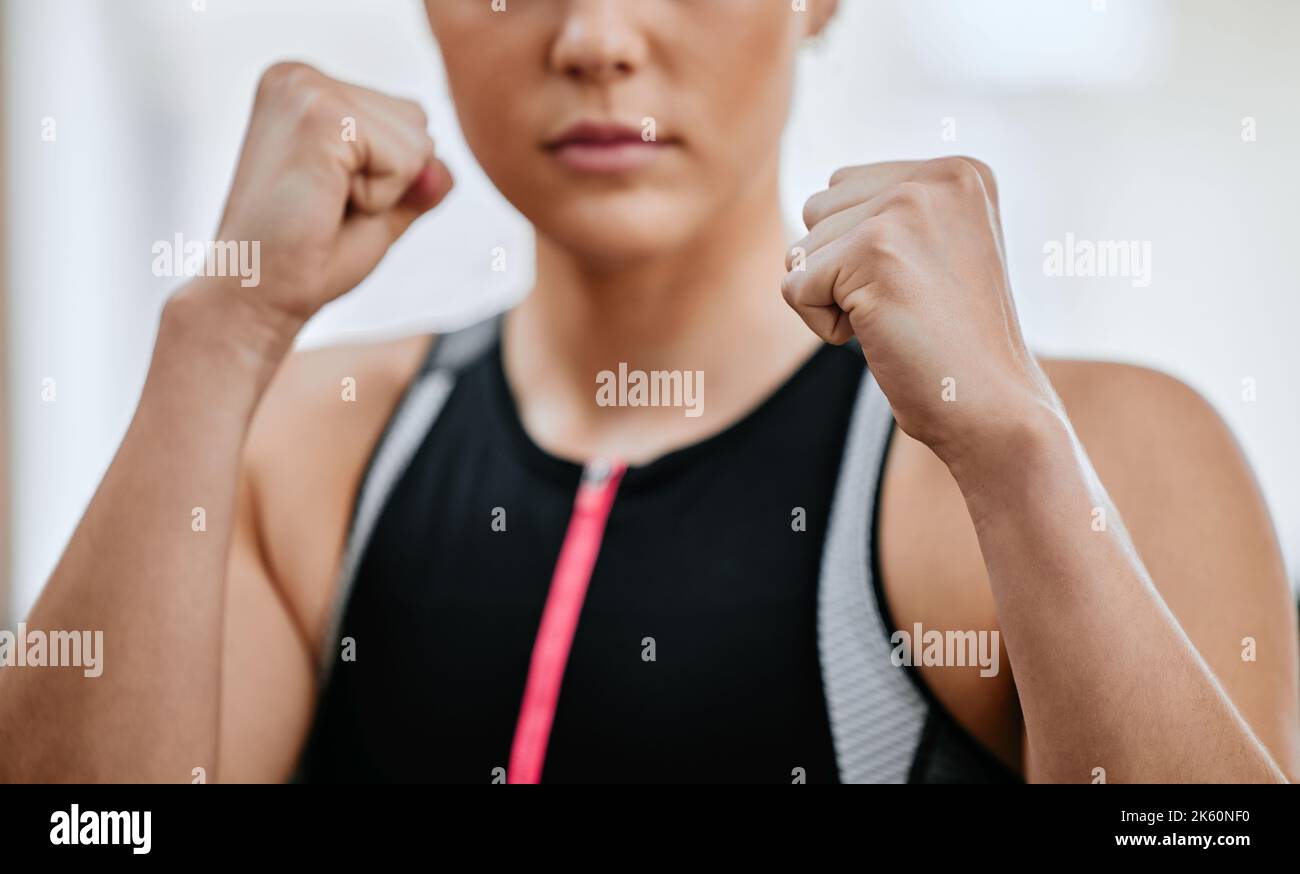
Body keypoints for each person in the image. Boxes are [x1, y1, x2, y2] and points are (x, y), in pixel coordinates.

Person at [1, 0, 1296, 784]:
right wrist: (217, 333)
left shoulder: (1113, 446)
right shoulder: (307, 446)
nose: (598, 39)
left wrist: (1016, 452)